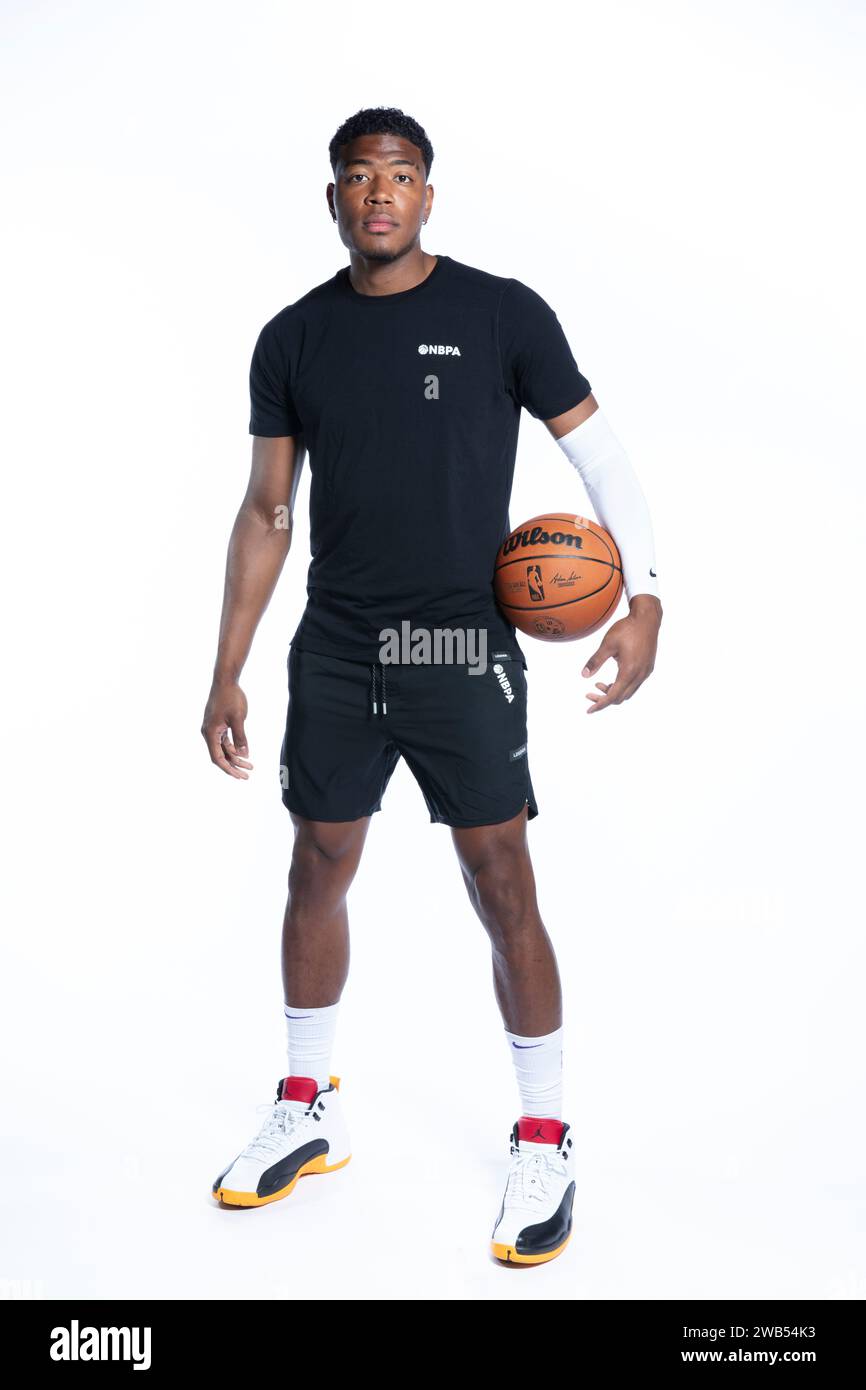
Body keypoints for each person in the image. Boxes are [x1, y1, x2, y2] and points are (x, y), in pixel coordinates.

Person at [201, 106, 662, 1265]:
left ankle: (544, 1131)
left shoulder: (500, 312)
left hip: (459, 644)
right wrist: (226, 669)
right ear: (333, 199)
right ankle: (310, 1102)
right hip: (340, 645)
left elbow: (595, 453)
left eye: (398, 176)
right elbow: (267, 510)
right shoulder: (293, 337)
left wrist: (642, 595)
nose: (378, 195)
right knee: (318, 859)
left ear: (427, 194)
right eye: (358, 178)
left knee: (498, 872)